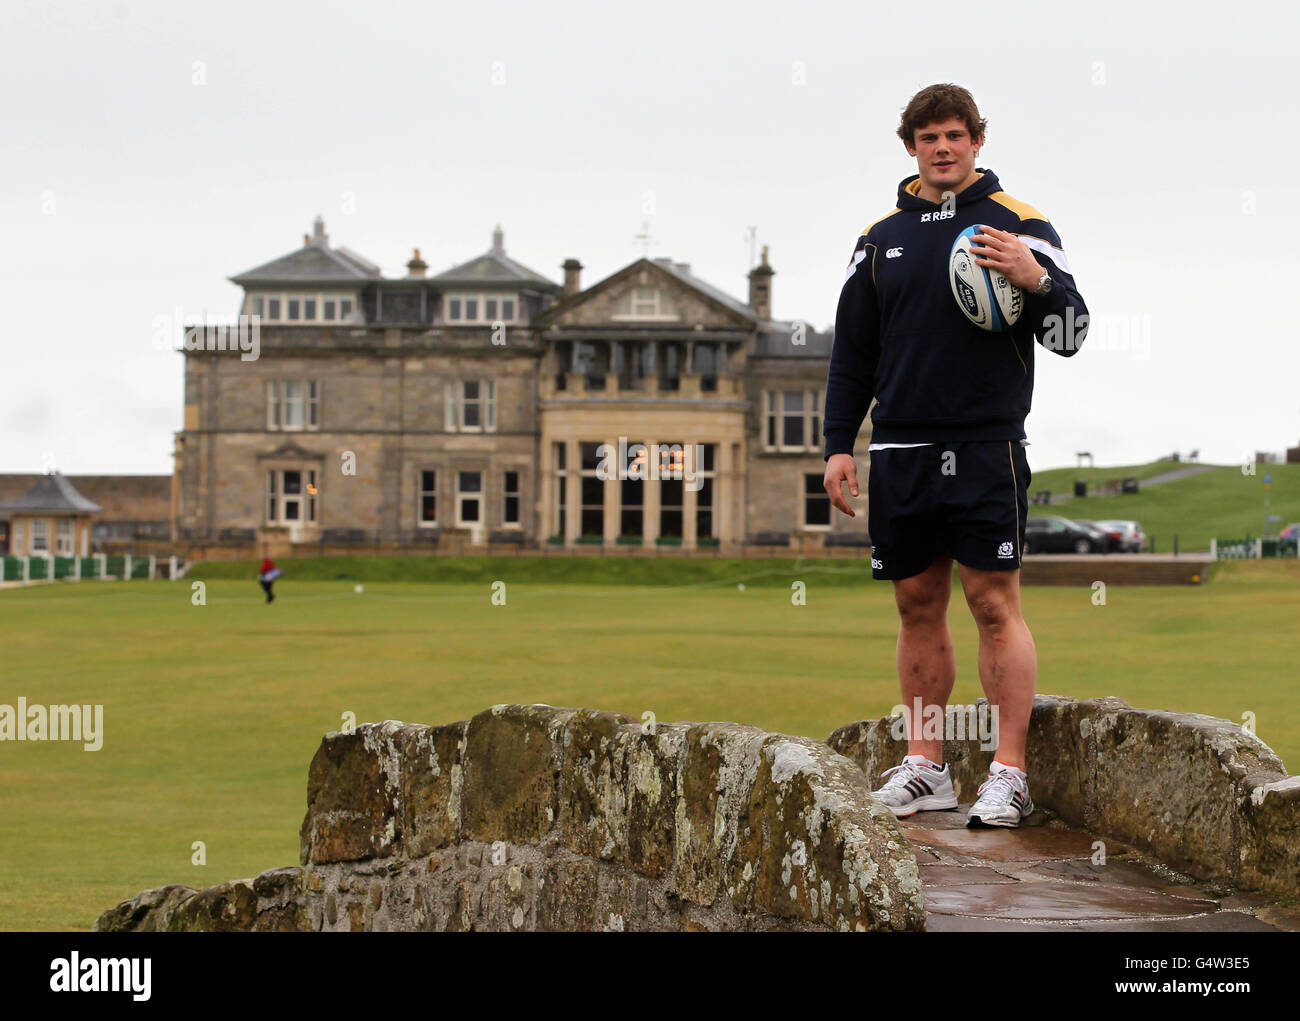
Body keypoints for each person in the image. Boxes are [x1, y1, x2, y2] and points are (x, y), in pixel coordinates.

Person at [822, 83, 1089, 827]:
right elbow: (854, 353)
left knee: (992, 603)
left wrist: (1034, 278)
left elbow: (1070, 334)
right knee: (915, 605)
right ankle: (925, 766)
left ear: (978, 141)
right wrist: (837, 445)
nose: (943, 147)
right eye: (929, 136)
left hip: (984, 444)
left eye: (956, 135)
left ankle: (1008, 773)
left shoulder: (1019, 224)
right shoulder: (878, 238)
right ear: (910, 145)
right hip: (901, 447)